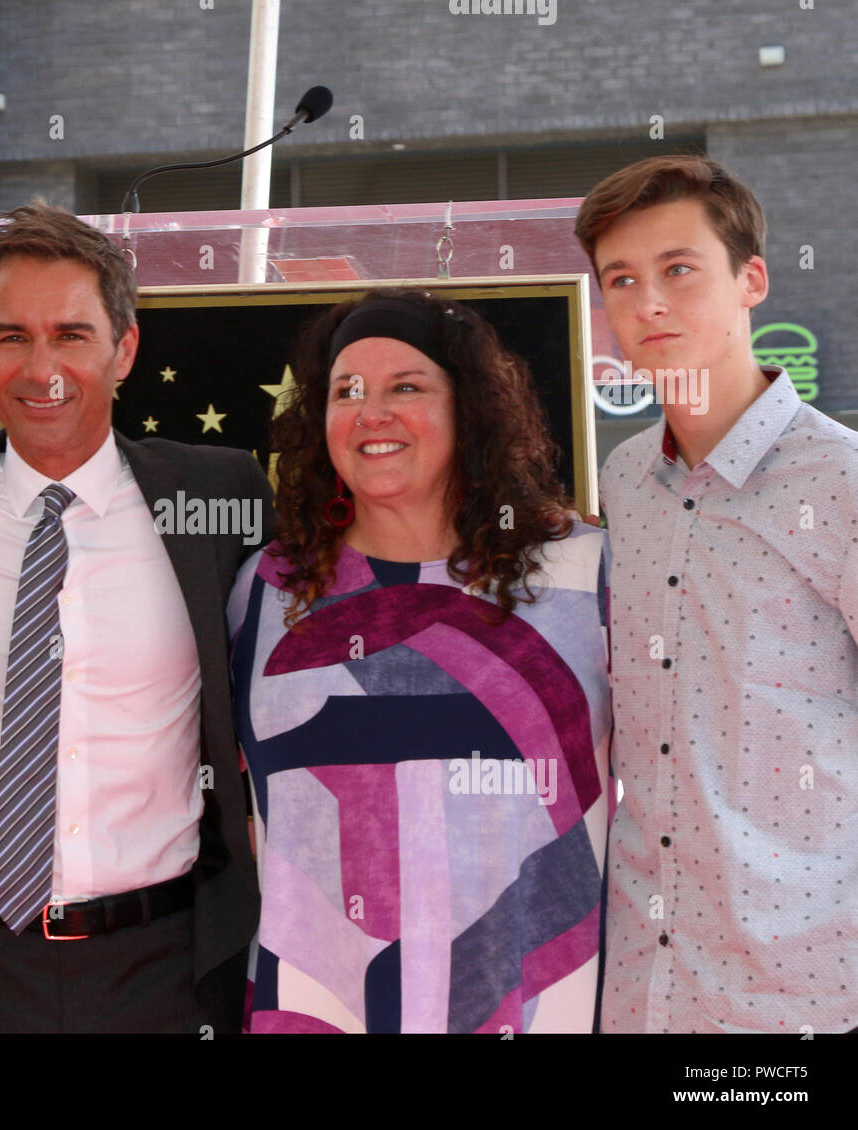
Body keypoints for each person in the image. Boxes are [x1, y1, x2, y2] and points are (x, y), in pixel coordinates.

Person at [0, 201, 274, 1033]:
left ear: (124, 349)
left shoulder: (221, 497)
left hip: (167, 965)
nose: (40, 366)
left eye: (72, 335)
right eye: (12, 335)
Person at [227, 290, 612, 1033]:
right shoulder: (266, 591)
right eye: (347, 391)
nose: (372, 412)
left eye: (406, 386)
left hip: (535, 1009)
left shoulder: (584, 574)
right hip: (319, 1007)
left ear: (469, 408)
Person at [576, 155, 858, 1033]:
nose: (648, 302)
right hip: (639, 981)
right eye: (621, 279)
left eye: (679, 270)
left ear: (752, 281)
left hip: (800, 983)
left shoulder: (841, 482)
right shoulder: (625, 479)